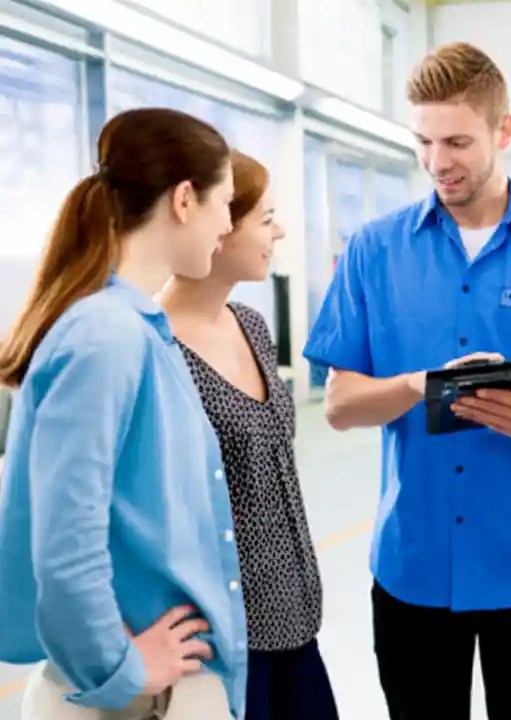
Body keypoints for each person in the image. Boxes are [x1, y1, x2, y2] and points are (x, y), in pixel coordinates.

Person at [302, 41, 511, 720]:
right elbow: (339, 405)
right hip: (413, 564)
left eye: (457, 141)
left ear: (503, 130)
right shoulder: (374, 250)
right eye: (423, 141)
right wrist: (420, 384)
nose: (436, 162)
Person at [0, 107, 248, 719]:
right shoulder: (107, 337)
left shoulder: (134, 326)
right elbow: (65, 540)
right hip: (134, 701)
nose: (227, 224)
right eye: (226, 202)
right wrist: (119, 668)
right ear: (185, 199)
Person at [156, 149, 340, 720]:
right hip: (223, 645)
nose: (280, 231)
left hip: (296, 623)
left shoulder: (254, 326)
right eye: (266, 217)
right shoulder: (156, 351)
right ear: (218, 226)